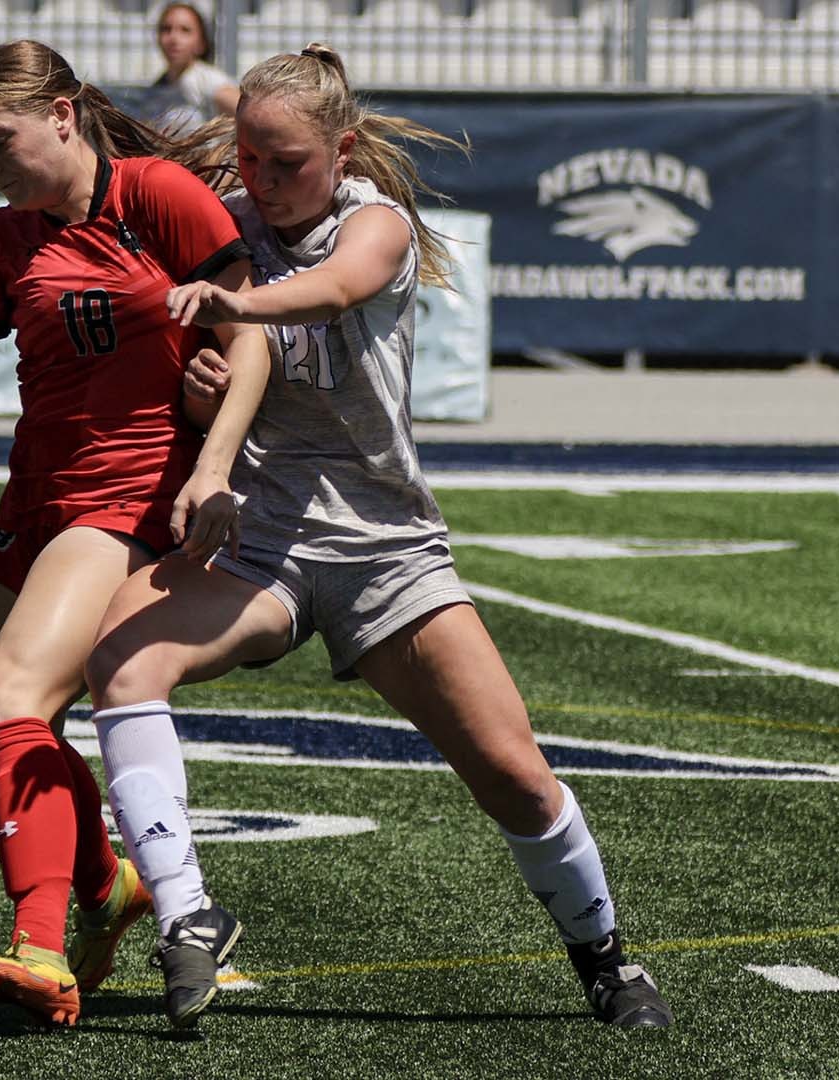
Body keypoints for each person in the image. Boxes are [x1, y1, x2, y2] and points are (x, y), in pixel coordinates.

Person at [82, 45, 676, 1029]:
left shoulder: (376, 224)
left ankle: (606, 959)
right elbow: (210, 372)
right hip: (263, 542)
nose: (265, 183)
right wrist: (201, 403)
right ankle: (187, 917)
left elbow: (327, 293)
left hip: (385, 548)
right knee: (121, 657)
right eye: (251, 161)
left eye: (288, 164)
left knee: (515, 775)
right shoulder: (225, 230)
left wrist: (237, 305)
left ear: (341, 149)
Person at [0, 39, 270, 1029]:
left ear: (63, 114)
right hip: (33, 501)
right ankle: (110, 886)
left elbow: (251, 340)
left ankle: (41, 948)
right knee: (13, 722)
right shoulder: (3, 238)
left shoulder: (157, 197)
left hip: (124, 500)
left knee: (11, 692)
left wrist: (210, 466)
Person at [137, 2, 240, 137]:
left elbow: (245, 112)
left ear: (201, 43)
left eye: (185, 30)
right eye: (166, 29)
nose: (174, 38)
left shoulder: (207, 79)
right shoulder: (157, 89)